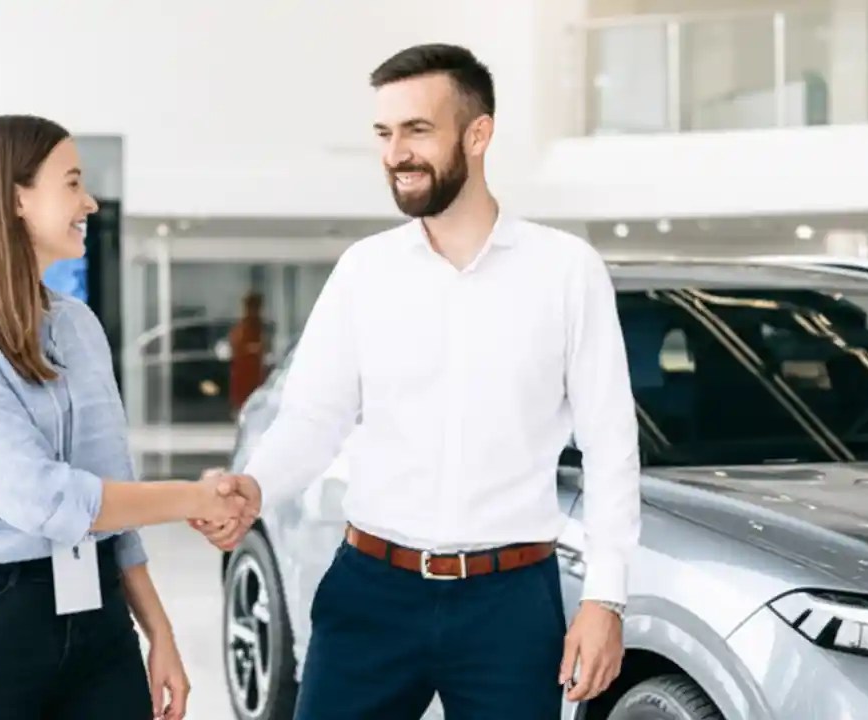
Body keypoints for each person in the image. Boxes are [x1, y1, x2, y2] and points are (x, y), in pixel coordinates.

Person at [194, 44, 642, 718]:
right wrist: (255, 487)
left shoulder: (566, 272)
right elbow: (313, 417)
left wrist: (605, 598)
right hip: (371, 593)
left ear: (478, 134)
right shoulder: (363, 272)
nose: (395, 153)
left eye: (417, 130)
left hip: (510, 604)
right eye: (384, 133)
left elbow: (610, 444)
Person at [0, 114, 255, 720]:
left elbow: (110, 490)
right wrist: (195, 498)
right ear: (16, 198)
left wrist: (159, 632)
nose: (89, 202)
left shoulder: (78, 326)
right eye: (72, 183)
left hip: (99, 619)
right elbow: (46, 499)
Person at [227, 291, 268, 418]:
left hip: (254, 376)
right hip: (244, 375)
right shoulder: (243, 327)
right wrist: (253, 349)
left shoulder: (259, 327)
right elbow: (236, 347)